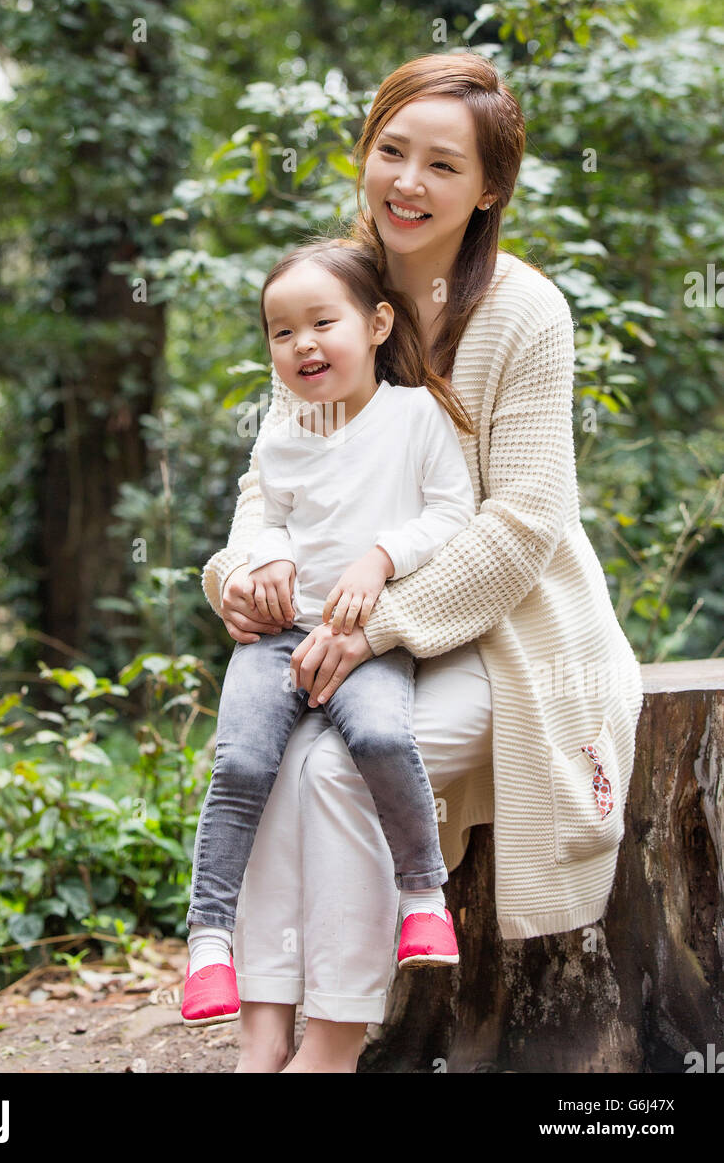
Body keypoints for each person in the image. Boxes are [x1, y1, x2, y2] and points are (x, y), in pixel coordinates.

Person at [201, 51, 645, 1073]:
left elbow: (522, 521)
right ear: (364, 151)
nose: (407, 182)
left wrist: (371, 626)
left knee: (334, 772)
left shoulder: (524, 313)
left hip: (509, 630)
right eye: (390, 150)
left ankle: (329, 1050)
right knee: (270, 758)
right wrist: (241, 575)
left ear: (488, 188)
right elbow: (272, 487)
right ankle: (255, 1038)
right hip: (339, 622)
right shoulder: (334, 294)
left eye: (442, 165)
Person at [181, 238, 480, 1027]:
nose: (303, 343)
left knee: (382, 739)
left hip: (364, 635)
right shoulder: (284, 432)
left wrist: (380, 559)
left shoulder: (415, 416)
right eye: (282, 332)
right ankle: (209, 941)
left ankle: (423, 895)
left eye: (322, 322)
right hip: (278, 637)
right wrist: (263, 562)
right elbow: (266, 511)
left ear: (378, 322)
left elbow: (452, 513)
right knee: (242, 763)